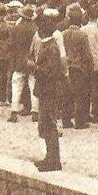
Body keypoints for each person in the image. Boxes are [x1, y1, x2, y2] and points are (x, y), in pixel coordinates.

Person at [31, 10, 68, 171]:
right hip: (47, 90)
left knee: (49, 124)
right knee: (45, 124)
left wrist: (34, 67)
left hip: (49, 90)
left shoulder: (51, 47)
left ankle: (54, 160)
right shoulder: (49, 45)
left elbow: (51, 72)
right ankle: (49, 157)